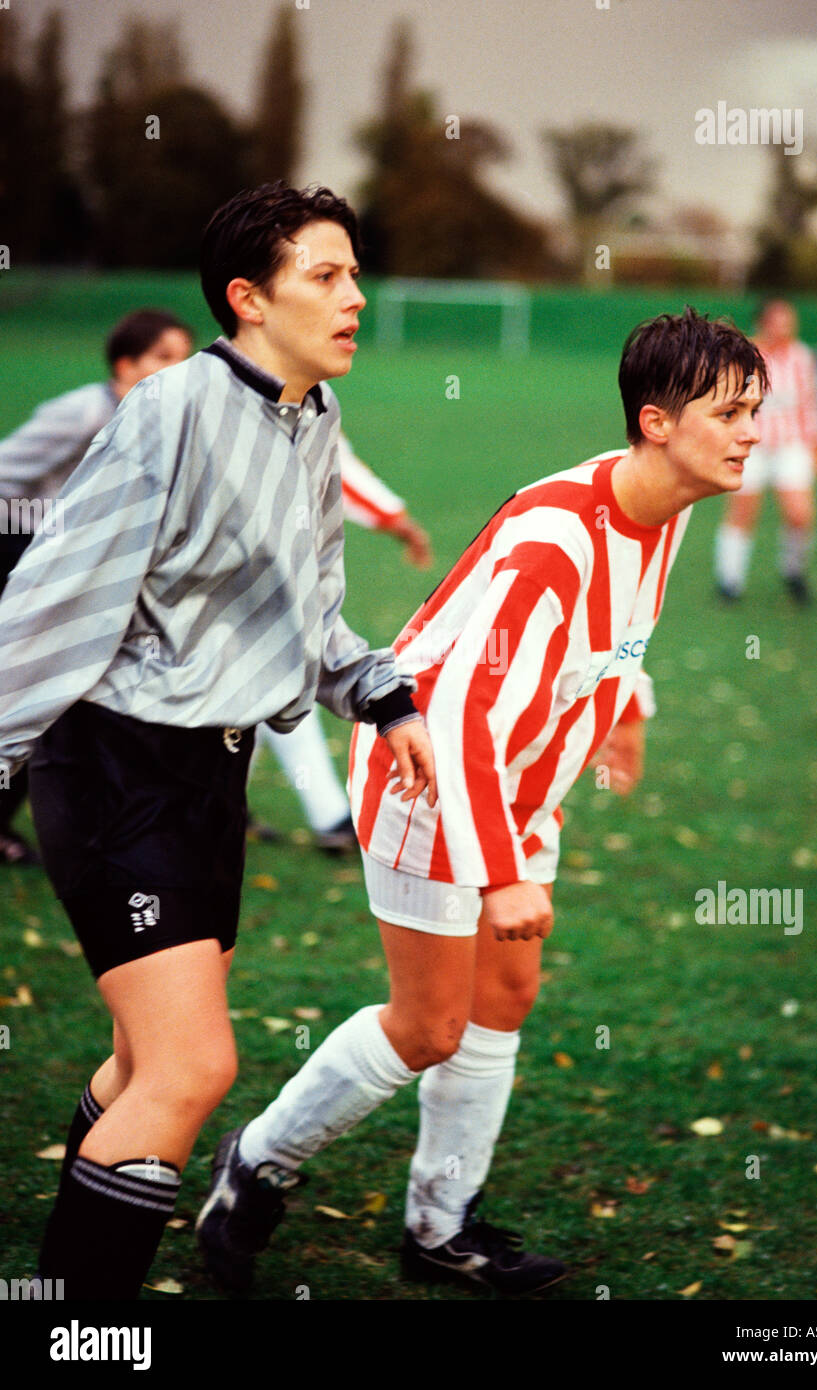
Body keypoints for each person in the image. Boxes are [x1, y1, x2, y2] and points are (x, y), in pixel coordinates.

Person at [197, 306, 767, 1296]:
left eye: (755, 408)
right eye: (731, 411)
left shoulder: (662, 502)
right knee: (427, 1027)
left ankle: (437, 1226)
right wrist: (499, 876)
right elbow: (456, 715)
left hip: (520, 789)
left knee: (503, 998)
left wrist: (629, 701)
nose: (753, 430)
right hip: (433, 780)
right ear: (657, 421)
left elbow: (620, 637)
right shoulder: (559, 540)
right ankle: (256, 1159)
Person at [0, 181, 436, 1300]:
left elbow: (312, 612)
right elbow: (47, 601)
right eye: (326, 276)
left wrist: (383, 694)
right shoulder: (169, 409)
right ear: (248, 298)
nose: (356, 297)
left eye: (354, 273)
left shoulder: (314, 418)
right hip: (113, 768)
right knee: (196, 1065)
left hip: (211, 775)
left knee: (148, 1061)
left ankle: (61, 1269)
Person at [0, 310, 193, 866]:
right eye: (163, 358)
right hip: (33, 574)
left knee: (78, 703)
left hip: (98, 585)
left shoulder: (163, 421)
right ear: (125, 365)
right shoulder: (82, 413)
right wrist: (56, 535)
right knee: (38, 700)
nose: (177, 371)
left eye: (184, 358)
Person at [256, 433, 433, 853]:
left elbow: (336, 468)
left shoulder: (308, 403)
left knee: (273, 679)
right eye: (163, 359)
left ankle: (326, 814)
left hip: (266, 594)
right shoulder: (98, 417)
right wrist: (395, 520)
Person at [713, 299, 817, 605]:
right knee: (743, 511)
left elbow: (810, 403)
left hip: (791, 446)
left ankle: (794, 571)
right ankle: (729, 580)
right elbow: (726, 403)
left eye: (790, 321)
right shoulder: (743, 356)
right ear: (764, 322)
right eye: (779, 321)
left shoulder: (802, 357)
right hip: (750, 447)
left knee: (800, 514)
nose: (786, 328)